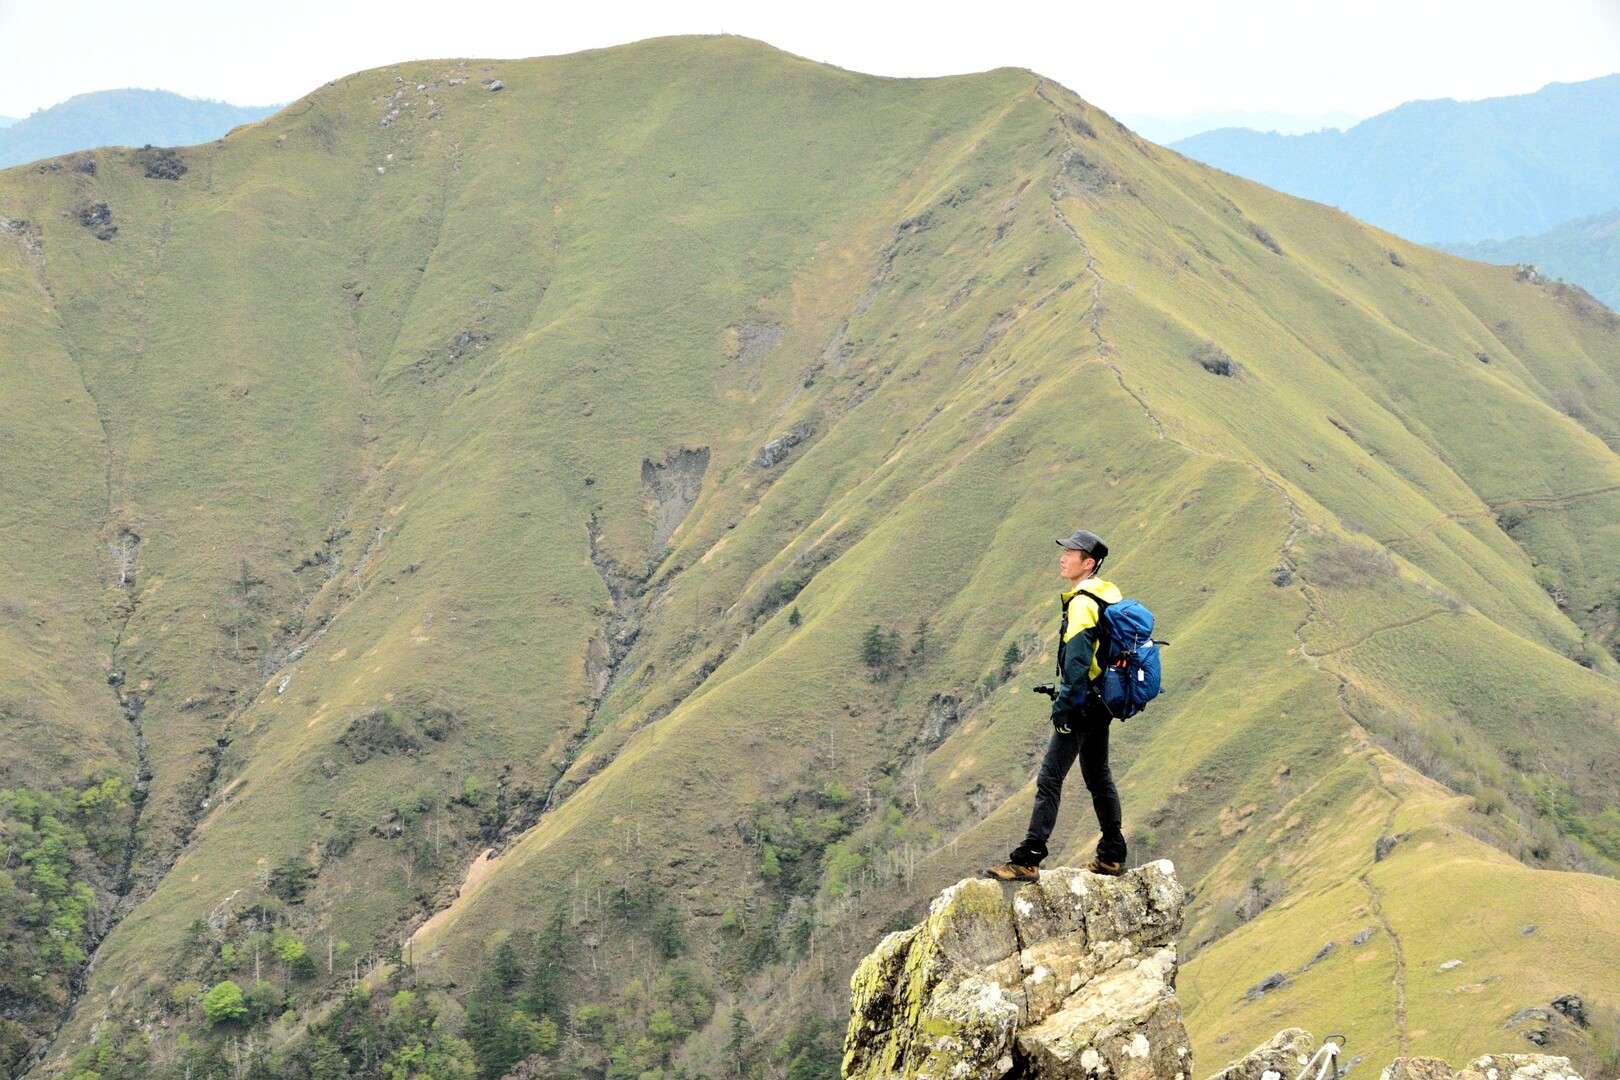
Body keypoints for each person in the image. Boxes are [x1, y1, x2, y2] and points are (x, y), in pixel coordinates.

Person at [983, 528, 1127, 882]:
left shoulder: (1082, 602)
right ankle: (1111, 854)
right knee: (1098, 777)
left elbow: (1077, 662)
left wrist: (1064, 710)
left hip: (1083, 704)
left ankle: (1028, 858)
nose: (1063, 558)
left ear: (1088, 563)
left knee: (1049, 778)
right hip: (1104, 700)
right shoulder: (1107, 594)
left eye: (1070, 553)